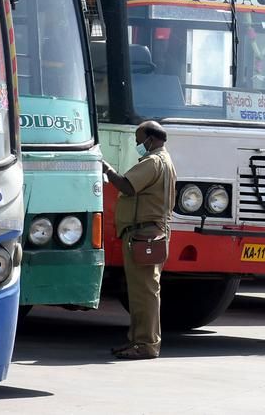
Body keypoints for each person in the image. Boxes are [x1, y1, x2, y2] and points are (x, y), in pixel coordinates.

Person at [101, 121, 176, 360]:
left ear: (151, 139)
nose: (137, 144)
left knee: (144, 292)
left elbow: (127, 186)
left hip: (145, 234)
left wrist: (106, 168)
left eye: (138, 140)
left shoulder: (153, 161)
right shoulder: (164, 160)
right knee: (141, 291)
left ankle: (146, 344)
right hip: (149, 232)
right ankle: (137, 340)